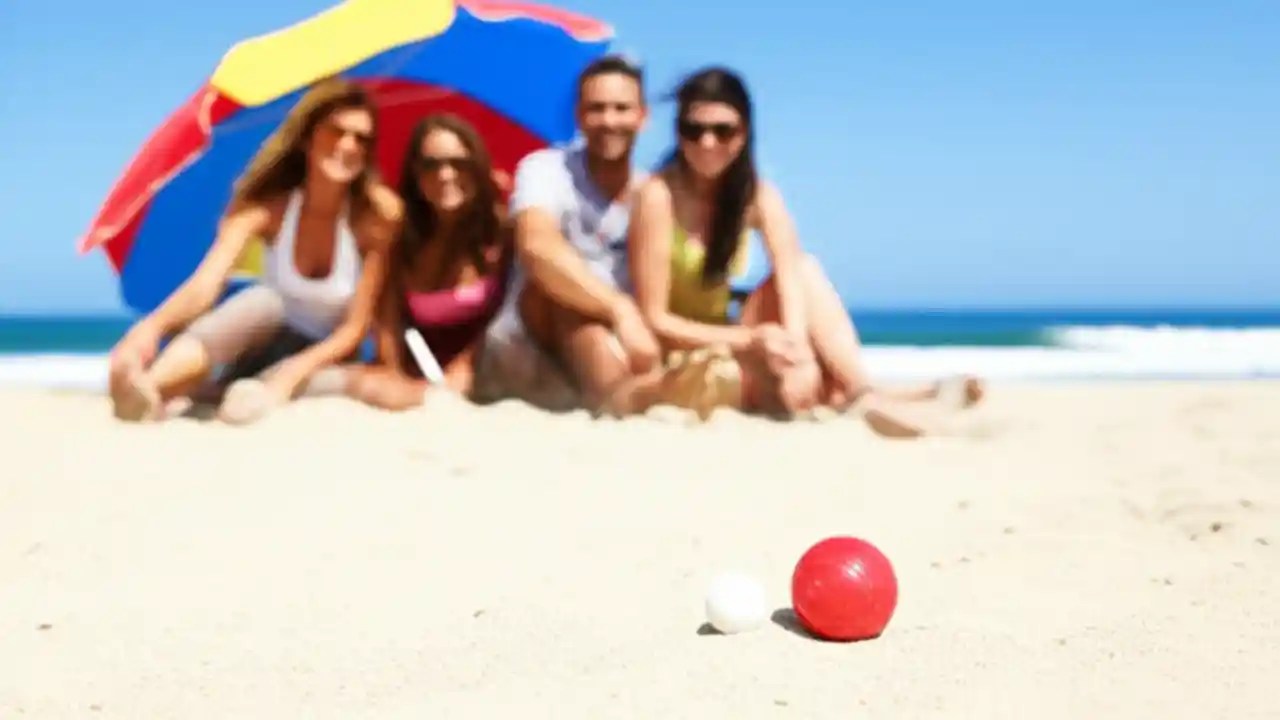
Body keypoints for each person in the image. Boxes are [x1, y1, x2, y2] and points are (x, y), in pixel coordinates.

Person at [627, 67, 983, 434]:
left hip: (739, 338)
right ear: (678, 132)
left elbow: (789, 271)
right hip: (691, 353)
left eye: (723, 131)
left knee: (805, 270)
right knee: (784, 383)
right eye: (693, 130)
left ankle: (863, 391)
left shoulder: (755, 194)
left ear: (745, 132)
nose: (707, 143)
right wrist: (751, 340)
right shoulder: (658, 196)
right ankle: (900, 396)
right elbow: (656, 319)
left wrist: (794, 349)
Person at [106, 77, 402, 424]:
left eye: (362, 139)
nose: (348, 145)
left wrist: (288, 376)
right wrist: (150, 329)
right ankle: (148, 389)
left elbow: (352, 330)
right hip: (259, 343)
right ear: (308, 137)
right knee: (261, 302)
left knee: (341, 383)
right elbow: (205, 286)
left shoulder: (372, 224)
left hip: (318, 359)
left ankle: (220, 392)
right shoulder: (266, 211)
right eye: (336, 131)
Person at [472, 55, 665, 416]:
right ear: (579, 116)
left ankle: (637, 391)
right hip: (527, 347)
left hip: (615, 346)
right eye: (597, 109)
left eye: (621, 108)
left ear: (643, 116)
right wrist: (618, 309)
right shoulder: (546, 168)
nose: (609, 120)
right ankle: (622, 398)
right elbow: (536, 246)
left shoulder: (652, 192)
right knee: (563, 292)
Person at [343, 114, 512, 410]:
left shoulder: (501, 233)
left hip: (488, 372)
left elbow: (510, 318)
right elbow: (388, 323)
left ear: (477, 166)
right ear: (415, 173)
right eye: (430, 164)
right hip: (419, 378)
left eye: (459, 163)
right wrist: (393, 373)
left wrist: (464, 367)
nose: (445, 175)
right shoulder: (402, 237)